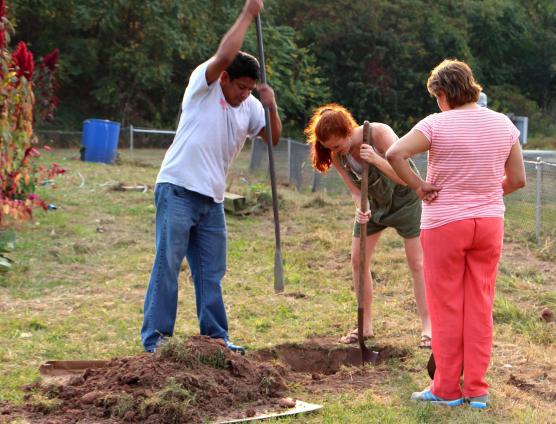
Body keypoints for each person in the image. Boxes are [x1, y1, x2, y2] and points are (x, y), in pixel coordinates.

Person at [140, 0, 281, 354]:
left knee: (211, 272)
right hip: (177, 188)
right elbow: (223, 54)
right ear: (224, 78)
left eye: (250, 88)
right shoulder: (203, 86)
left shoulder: (250, 106)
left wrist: (271, 105)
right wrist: (249, 14)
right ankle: (157, 341)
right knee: (167, 265)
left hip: (213, 200)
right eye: (240, 87)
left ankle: (216, 337)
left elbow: (273, 138)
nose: (244, 94)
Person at [386, 59, 526, 408]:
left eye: (437, 97)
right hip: (490, 222)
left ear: (445, 94)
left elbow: (394, 153)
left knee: (446, 306)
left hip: (445, 224)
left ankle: (446, 389)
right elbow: (519, 179)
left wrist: (419, 185)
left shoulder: (436, 124)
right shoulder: (503, 124)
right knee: (480, 304)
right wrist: (487, 194)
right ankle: (477, 390)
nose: (437, 103)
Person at [305, 103, 432, 348]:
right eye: (329, 147)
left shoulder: (379, 134)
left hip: (405, 201)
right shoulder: (337, 155)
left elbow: (405, 178)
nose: (335, 151)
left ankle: (428, 327)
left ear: (348, 130)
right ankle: (365, 326)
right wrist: (360, 208)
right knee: (358, 260)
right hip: (373, 205)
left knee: (417, 263)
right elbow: (354, 191)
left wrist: (375, 159)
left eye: (337, 144)